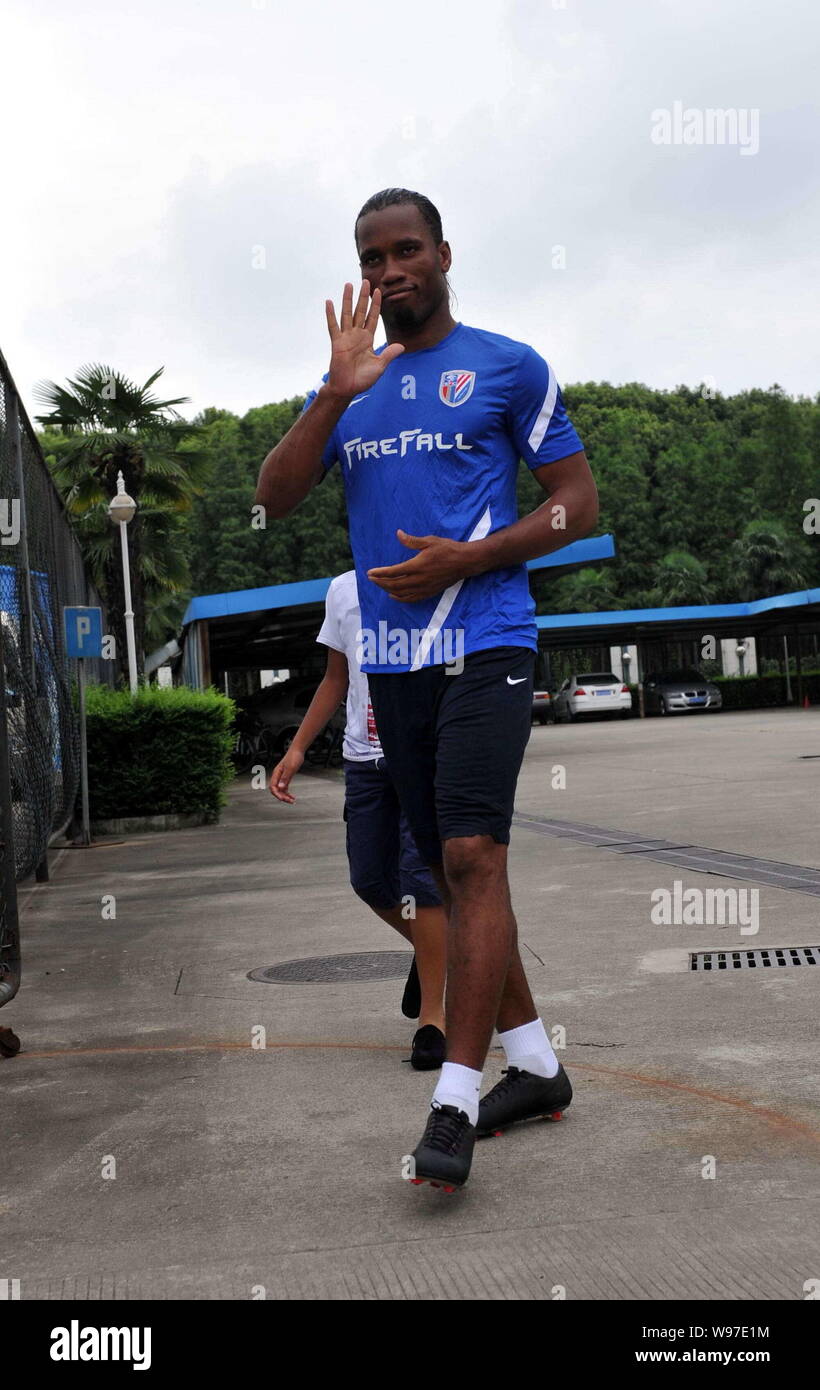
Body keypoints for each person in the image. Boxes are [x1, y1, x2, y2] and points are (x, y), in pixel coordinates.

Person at [256, 187, 599, 1190]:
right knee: (457, 877)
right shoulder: (351, 385)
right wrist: (331, 391)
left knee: (469, 853)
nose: (390, 269)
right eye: (373, 257)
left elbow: (575, 503)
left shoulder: (505, 366)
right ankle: (534, 1065)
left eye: (407, 250)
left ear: (442, 255)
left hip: (487, 641)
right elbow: (274, 499)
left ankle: (452, 1100)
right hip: (393, 672)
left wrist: (471, 557)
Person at [268, 568, 448, 1070]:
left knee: (421, 881)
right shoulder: (341, 589)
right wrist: (298, 748)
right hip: (364, 758)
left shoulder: (435, 574)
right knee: (370, 878)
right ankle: (438, 952)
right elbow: (335, 677)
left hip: (422, 755)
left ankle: (433, 1019)